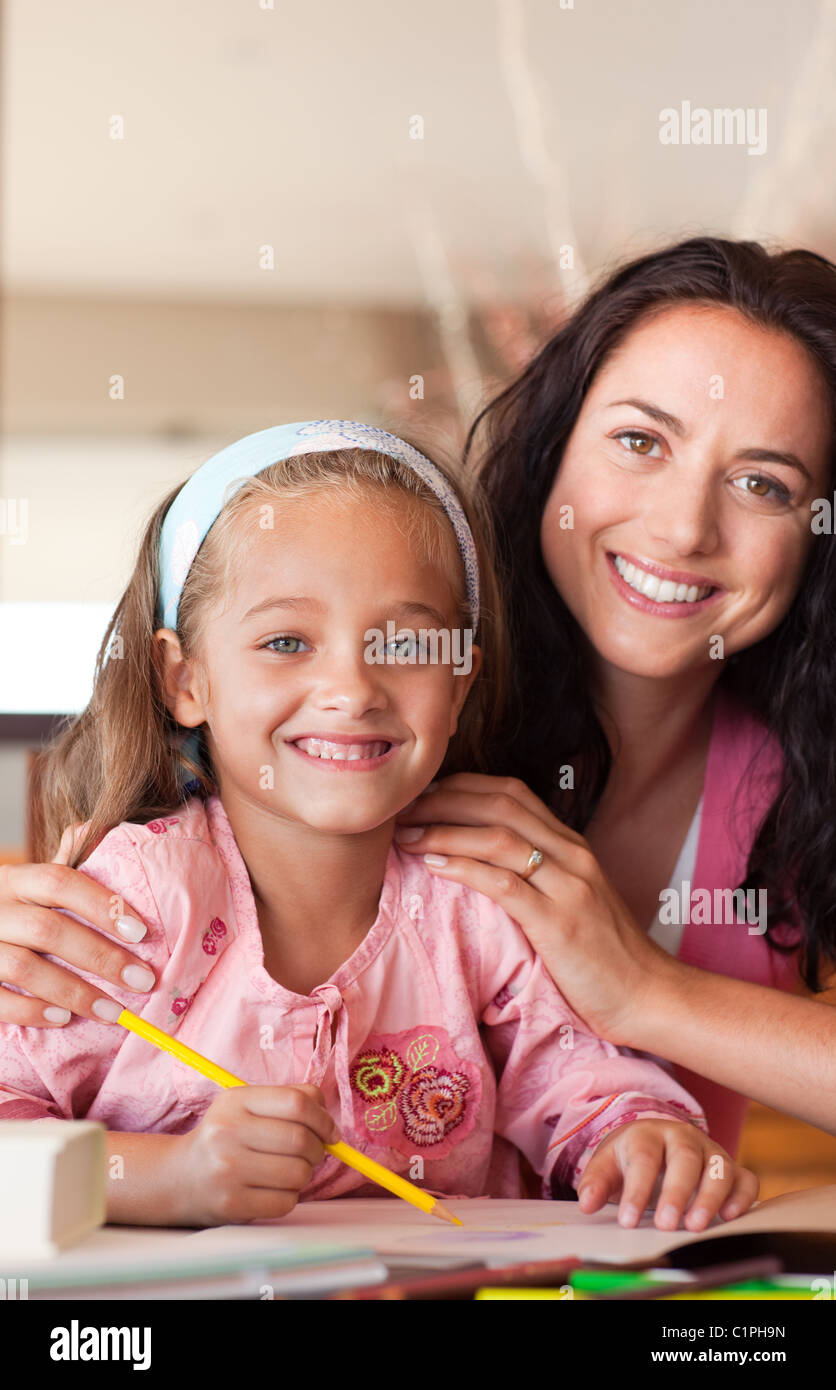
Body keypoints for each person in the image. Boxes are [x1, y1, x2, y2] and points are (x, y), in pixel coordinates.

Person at [0, 420, 756, 1232]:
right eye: (287, 641)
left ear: (461, 680)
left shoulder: (477, 898)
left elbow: (583, 1089)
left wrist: (640, 1140)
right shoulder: (134, 902)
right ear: (185, 680)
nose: (352, 688)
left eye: (404, 641)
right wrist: (171, 1178)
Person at [392, 236, 836, 1158]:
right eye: (640, 442)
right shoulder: (388, 708)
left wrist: (645, 990)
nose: (682, 527)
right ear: (554, 451)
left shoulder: (803, 778)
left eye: (763, 483)